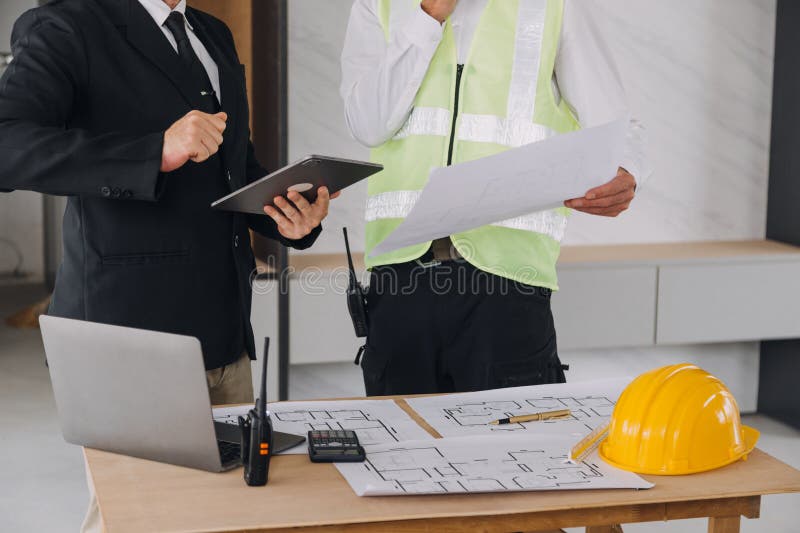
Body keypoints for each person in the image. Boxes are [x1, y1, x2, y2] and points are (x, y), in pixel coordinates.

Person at [0, 0, 338, 406]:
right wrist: (155, 151)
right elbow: (8, 145)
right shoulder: (66, 26)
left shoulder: (213, 34)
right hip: (126, 344)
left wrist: (288, 218)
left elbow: (234, 167)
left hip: (227, 340)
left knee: (241, 471)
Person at [341, 0, 650, 395]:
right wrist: (427, 16)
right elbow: (367, 124)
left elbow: (617, 125)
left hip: (507, 285)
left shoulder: (555, 5)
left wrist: (628, 171)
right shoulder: (378, 4)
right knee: (397, 448)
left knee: (510, 449)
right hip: (400, 284)